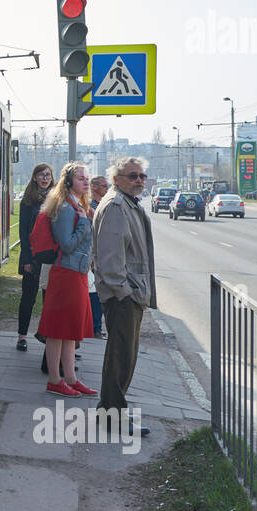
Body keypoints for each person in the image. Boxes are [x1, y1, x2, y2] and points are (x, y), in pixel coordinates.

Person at [93, 156, 158, 436]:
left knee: (123, 356)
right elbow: (109, 259)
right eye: (132, 176)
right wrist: (123, 293)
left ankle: (108, 411)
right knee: (121, 358)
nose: (139, 180)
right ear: (117, 179)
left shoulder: (128, 203)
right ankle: (113, 416)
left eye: (142, 176)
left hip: (131, 293)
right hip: (124, 296)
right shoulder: (117, 206)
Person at [37, 162, 96, 396]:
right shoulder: (66, 208)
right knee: (57, 329)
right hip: (66, 273)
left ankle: (70, 378)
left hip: (76, 273)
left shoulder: (76, 205)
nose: (86, 181)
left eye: (86, 177)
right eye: (81, 178)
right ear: (69, 182)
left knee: (70, 329)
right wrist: (83, 222)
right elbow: (67, 244)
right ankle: (54, 379)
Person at [15, 164, 54, 352]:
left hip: (50, 257)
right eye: (41, 175)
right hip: (32, 256)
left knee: (50, 301)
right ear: (34, 178)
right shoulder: (27, 201)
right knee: (28, 298)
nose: (45, 178)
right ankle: (22, 336)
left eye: (48, 175)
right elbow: (23, 233)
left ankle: (50, 341)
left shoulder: (56, 199)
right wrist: (27, 260)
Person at [88, 174, 110, 339]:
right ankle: (94, 328)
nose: (107, 189)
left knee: (98, 293)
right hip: (92, 257)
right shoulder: (90, 206)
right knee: (94, 294)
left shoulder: (102, 205)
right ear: (94, 187)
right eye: (104, 186)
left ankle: (95, 327)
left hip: (101, 255)